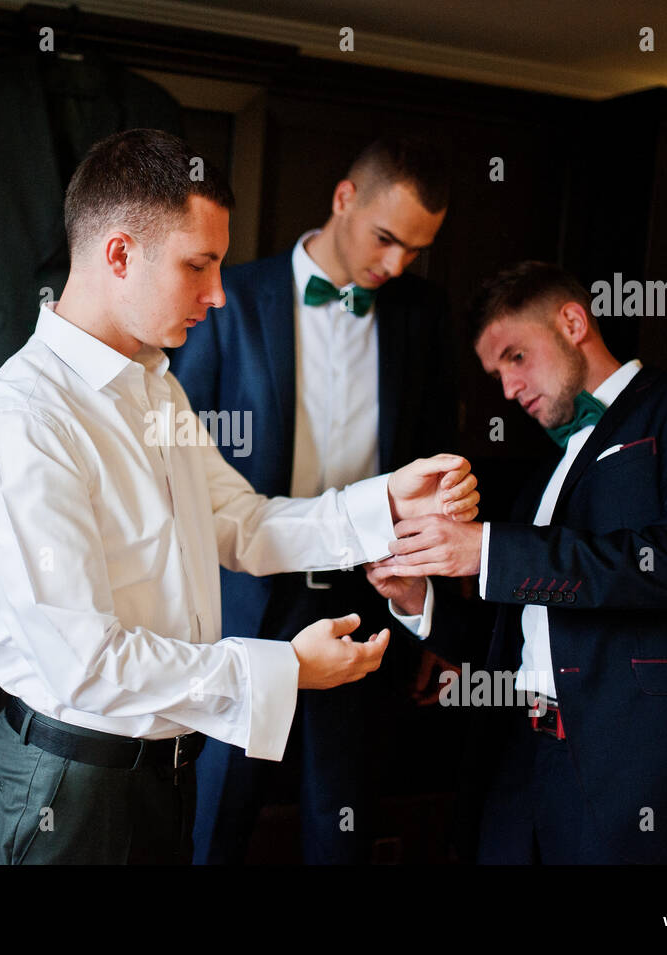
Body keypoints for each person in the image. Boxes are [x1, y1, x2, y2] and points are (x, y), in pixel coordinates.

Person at [0, 128, 480, 865]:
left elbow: (242, 519)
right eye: (199, 265)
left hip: (165, 774)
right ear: (120, 254)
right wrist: (283, 668)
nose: (219, 293)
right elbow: (86, 663)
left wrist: (387, 501)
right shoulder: (25, 421)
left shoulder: (157, 385)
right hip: (66, 789)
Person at [369, 260, 667, 864]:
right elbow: (511, 641)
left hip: (641, 766)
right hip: (523, 766)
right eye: (495, 372)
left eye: (514, 357)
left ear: (572, 321)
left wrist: (489, 549)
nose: (507, 389)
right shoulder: (539, 482)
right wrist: (415, 600)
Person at [169, 135, 456, 864]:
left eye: (414, 251)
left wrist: (432, 622)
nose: (394, 265)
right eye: (386, 238)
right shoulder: (228, 295)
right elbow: (176, 455)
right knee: (215, 822)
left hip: (368, 597)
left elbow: (436, 475)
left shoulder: (422, 317)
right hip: (245, 600)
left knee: (345, 823)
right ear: (342, 199)